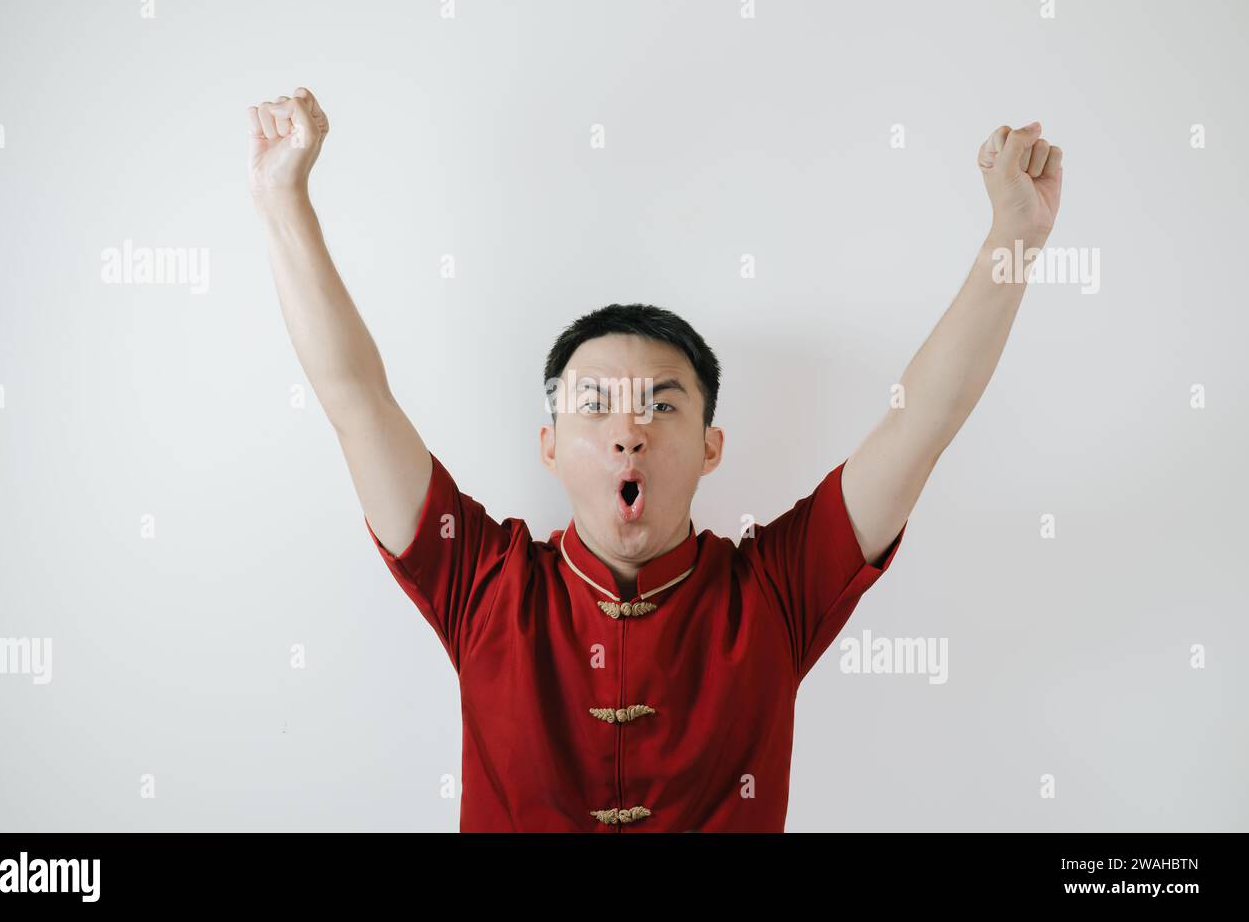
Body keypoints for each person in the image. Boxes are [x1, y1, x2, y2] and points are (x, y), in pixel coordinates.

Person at [246, 87, 1064, 831]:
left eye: (662, 404)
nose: (628, 431)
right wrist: (284, 198)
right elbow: (355, 399)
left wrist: (1015, 239)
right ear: (550, 447)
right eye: (594, 405)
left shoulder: (775, 595)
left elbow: (920, 422)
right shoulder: (482, 584)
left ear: (712, 447)